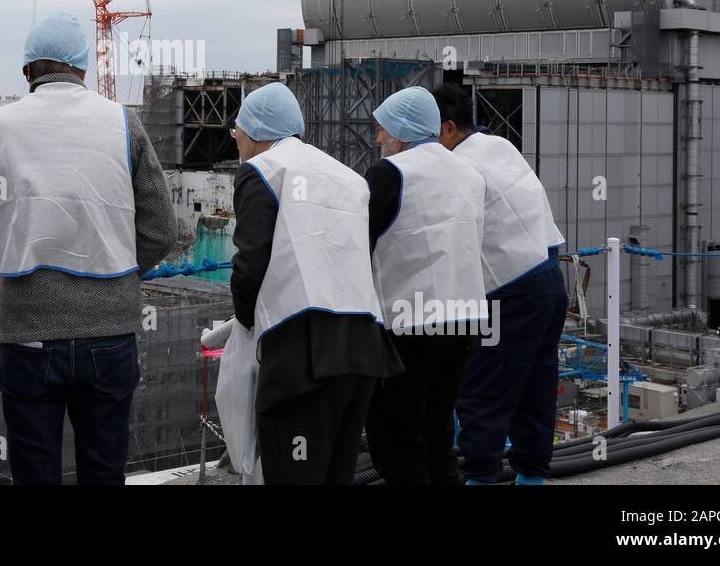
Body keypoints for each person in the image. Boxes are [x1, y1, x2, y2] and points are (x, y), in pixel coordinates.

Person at [0, 11, 176, 485]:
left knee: (34, 472)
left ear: (28, 71)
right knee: (104, 471)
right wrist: (118, 269)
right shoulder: (123, 123)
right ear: (85, 70)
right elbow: (162, 229)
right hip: (110, 332)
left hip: (29, 330)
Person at [228, 82, 401, 485]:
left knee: (292, 470)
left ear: (253, 133)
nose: (236, 142)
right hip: (363, 345)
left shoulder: (262, 170)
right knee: (334, 472)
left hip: (304, 352)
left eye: (236, 132)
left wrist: (244, 321)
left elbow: (250, 263)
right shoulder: (347, 176)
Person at [433, 83, 568, 487]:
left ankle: (480, 478)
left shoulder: (458, 167)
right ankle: (531, 477)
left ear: (448, 128)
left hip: (510, 290)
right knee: (535, 390)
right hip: (549, 279)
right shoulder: (500, 147)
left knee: (481, 391)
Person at [364, 86, 486, 484]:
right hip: (464, 320)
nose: (378, 138)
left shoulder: (390, 173)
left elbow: (358, 247)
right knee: (438, 436)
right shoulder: (468, 173)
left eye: (382, 130)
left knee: (397, 444)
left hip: (408, 325)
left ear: (399, 133)